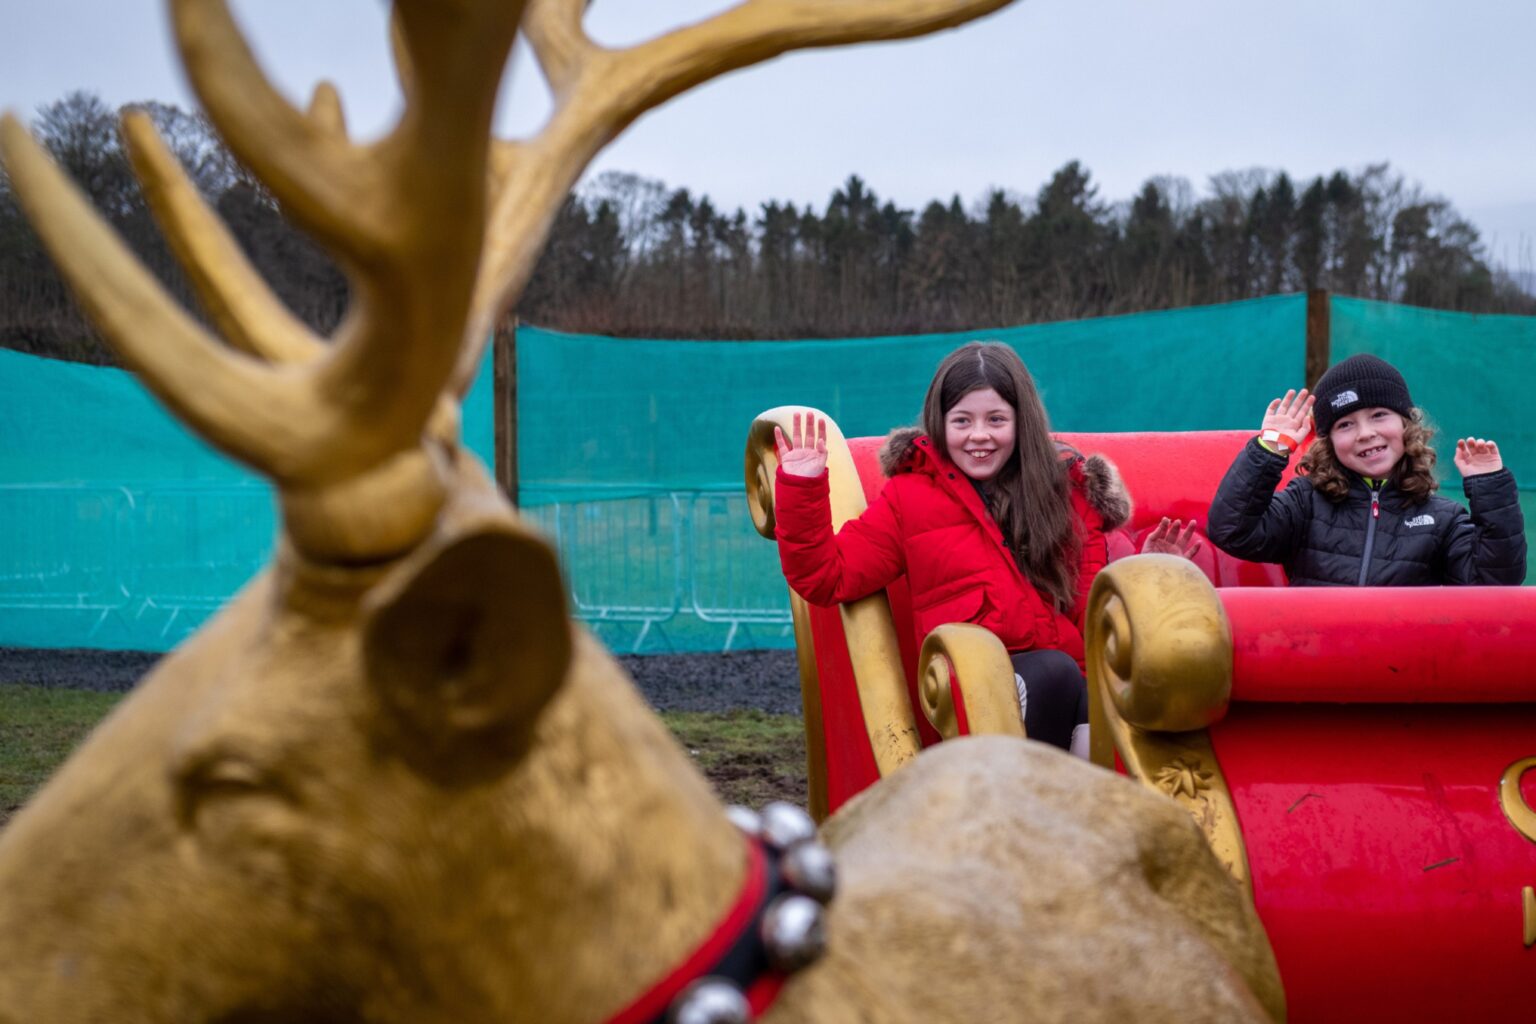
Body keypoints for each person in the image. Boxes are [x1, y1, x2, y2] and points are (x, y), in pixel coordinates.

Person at [772, 341, 1196, 756]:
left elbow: (1089, 617)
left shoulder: (1067, 494)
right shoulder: (911, 497)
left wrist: (1147, 576)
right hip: (970, 687)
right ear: (940, 424)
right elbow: (828, 576)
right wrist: (801, 486)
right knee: (1055, 674)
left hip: (1067, 683)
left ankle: (1076, 811)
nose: (979, 436)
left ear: (1021, 421)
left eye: (996, 419)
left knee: (1104, 692)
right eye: (962, 421)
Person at [1207, 352, 1526, 585]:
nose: (1364, 433)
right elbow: (1233, 531)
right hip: (1315, 667)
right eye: (1345, 424)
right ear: (1328, 441)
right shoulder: (1305, 503)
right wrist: (1269, 451)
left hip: (1404, 671)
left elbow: (1494, 581)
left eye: (1378, 416)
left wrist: (1490, 489)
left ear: (1406, 425)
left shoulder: (1442, 519)